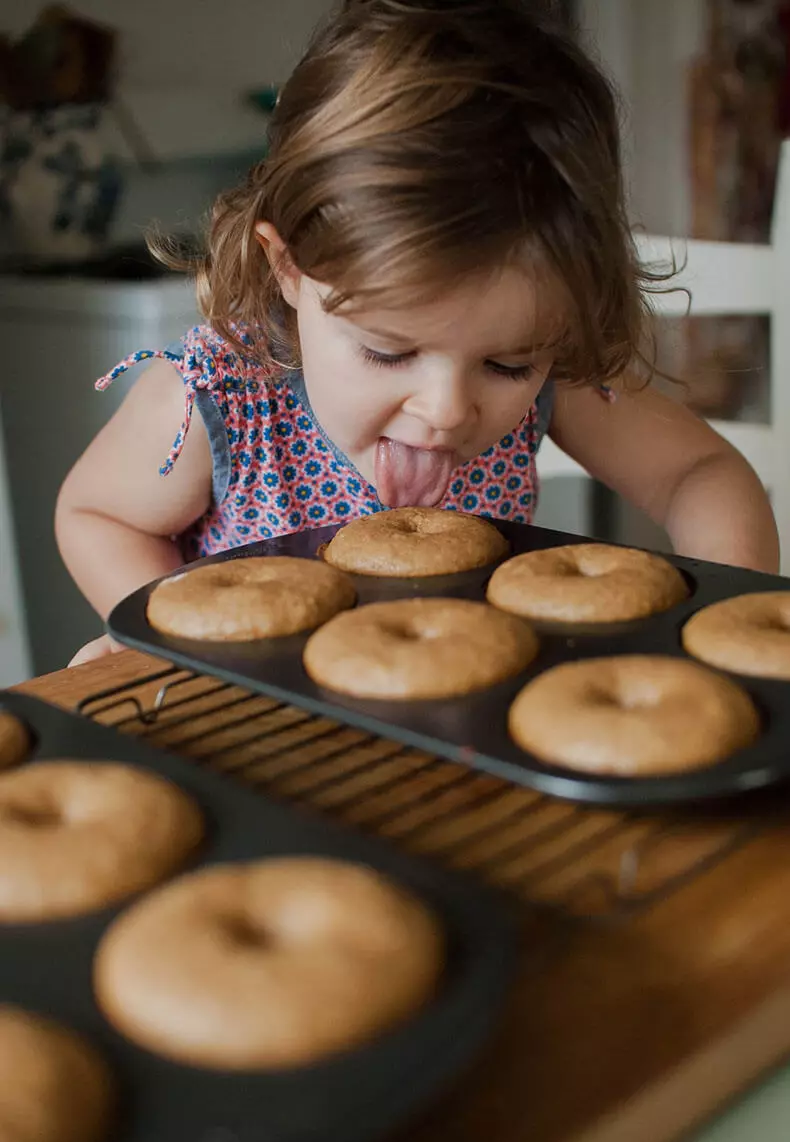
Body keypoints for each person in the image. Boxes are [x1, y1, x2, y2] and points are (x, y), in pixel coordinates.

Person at [57, 0, 779, 666]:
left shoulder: (551, 375)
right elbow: (95, 516)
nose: (446, 409)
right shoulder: (218, 398)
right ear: (290, 269)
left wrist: (735, 628)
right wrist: (167, 634)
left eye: (505, 364)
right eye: (388, 351)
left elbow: (699, 476)